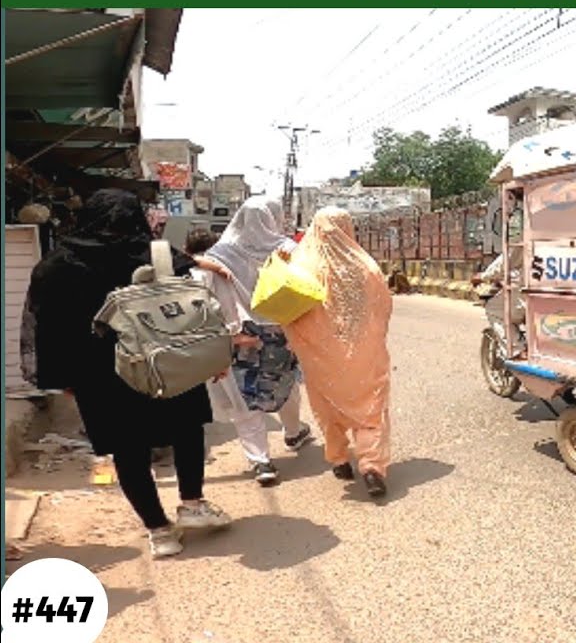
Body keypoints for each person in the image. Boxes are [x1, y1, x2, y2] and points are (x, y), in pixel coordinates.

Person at [25, 189, 233, 559]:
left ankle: (159, 531)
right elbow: (193, 311)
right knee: (186, 430)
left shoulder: (57, 265)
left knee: (127, 450)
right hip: (167, 366)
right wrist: (210, 358)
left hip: (100, 375)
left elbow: (48, 326)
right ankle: (192, 504)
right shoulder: (158, 254)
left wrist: (63, 378)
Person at [194, 198, 314, 486]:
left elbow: (201, 293)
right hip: (279, 332)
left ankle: (261, 462)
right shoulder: (289, 249)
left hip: (237, 335)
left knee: (243, 397)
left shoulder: (218, 254)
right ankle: (293, 432)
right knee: (284, 383)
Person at [283, 207, 393, 497]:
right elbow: (382, 310)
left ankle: (340, 460)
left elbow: (288, 313)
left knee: (328, 406)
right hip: (362, 352)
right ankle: (372, 467)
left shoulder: (300, 267)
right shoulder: (366, 266)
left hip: (319, 354)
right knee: (370, 407)